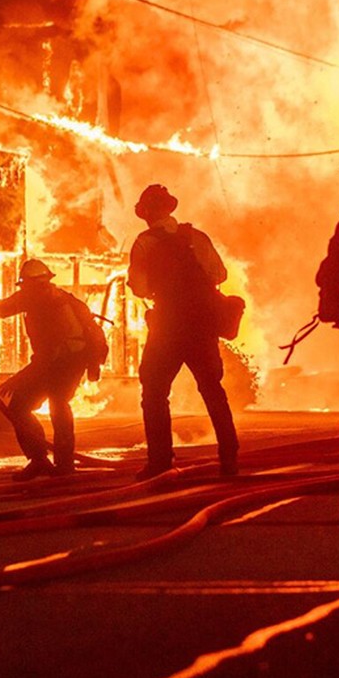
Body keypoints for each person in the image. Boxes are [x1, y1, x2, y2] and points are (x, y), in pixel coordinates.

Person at [127, 184, 239, 480]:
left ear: (148, 212)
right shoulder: (196, 236)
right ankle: (230, 459)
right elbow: (220, 274)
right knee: (213, 391)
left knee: (154, 392)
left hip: (167, 325)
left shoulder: (144, 242)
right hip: (202, 324)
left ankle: (160, 462)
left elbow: (139, 287)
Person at [0, 259, 90, 480]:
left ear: (39, 284)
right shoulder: (32, 299)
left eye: (26, 285)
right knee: (20, 406)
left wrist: (20, 378)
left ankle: (64, 464)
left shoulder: (57, 306)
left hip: (69, 361)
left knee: (58, 402)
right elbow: (1, 308)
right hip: (51, 361)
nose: (23, 290)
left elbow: (53, 354)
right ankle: (39, 459)